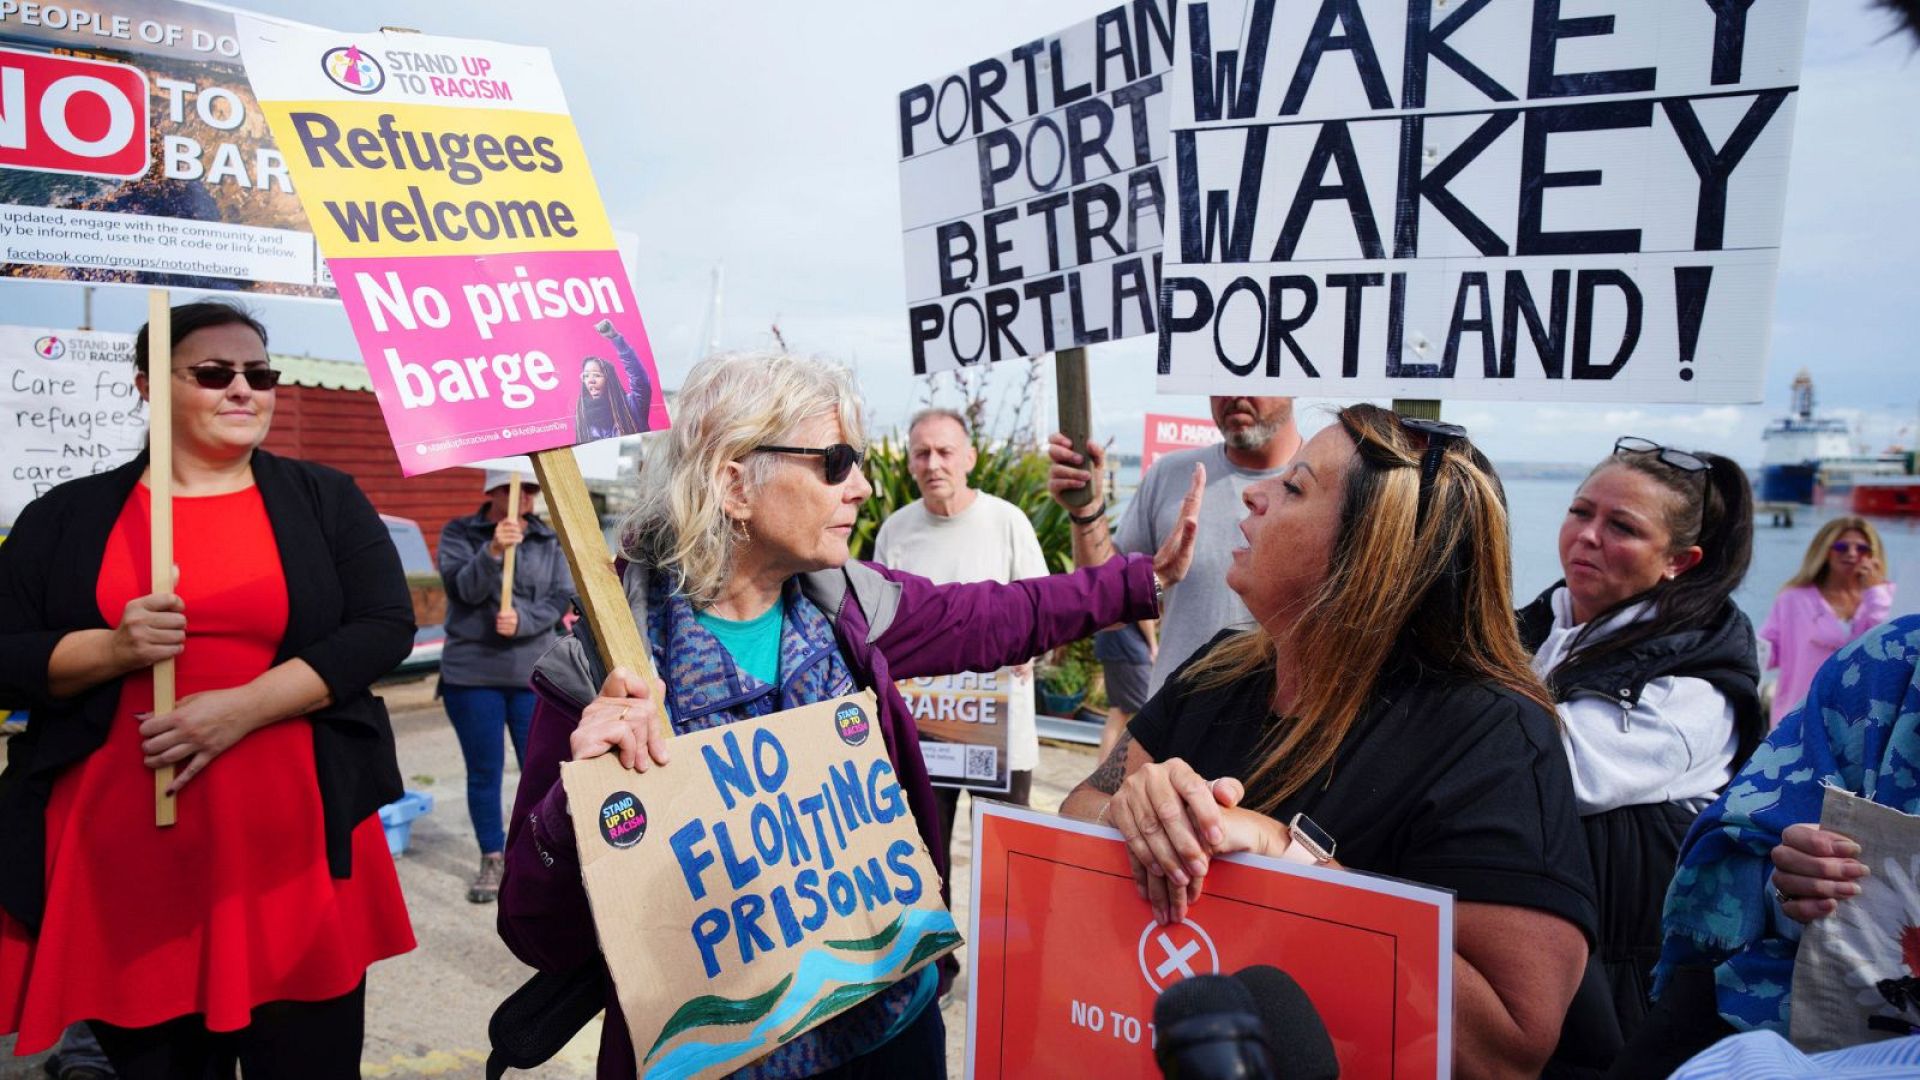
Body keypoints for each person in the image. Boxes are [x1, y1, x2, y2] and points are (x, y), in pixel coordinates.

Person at [497, 351, 1190, 1078]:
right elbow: (534, 930)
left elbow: (1002, 614)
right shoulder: (604, 658)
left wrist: (1142, 578)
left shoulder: (852, 605)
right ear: (734, 482)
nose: (861, 487)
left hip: (895, 1027)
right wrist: (574, 807)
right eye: (835, 462)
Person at [1059, 404, 1597, 1079]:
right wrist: (1134, 808)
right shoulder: (1218, 669)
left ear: (1370, 554)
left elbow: (1504, 1048)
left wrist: (1286, 855)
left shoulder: (1495, 735)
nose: (1254, 493)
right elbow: (1077, 811)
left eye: (1294, 488)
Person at [0, 302, 416, 1075]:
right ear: (148, 387)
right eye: (214, 373)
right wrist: (112, 648)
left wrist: (239, 711)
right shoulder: (68, 515)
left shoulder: (323, 499)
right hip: (127, 853)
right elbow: (5, 650)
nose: (243, 390)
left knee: (308, 1059)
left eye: (259, 374)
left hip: (288, 841)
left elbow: (383, 626)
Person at [1514, 437, 1763, 1077]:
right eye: (1580, 511)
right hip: (1531, 961)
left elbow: (1543, 775)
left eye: (1621, 526)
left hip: (1617, 992)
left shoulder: (1694, 694)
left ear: (1680, 561)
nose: (1587, 536)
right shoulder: (1530, 627)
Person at [1620, 615, 1920, 1075]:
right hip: (1779, 1021)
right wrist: (1787, 888)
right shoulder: (1890, 663)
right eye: (1842, 549)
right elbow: (1733, 847)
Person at [871, 408, 1049, 849]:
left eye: (944, 452)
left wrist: (1030, 649)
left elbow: (1044, 613)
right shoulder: (896, 531)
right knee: (926, 864)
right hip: (925, 735)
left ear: (969, 458)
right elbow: (878, 626)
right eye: (921, 454)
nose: (933, 464)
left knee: (1007, 866)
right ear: (910, 463)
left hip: (1000, 736)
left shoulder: (1008, 521)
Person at [1048, 396, 1299, 695]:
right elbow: (1107, 609)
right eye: (1219, 378)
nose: (1234, 394)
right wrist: (1087, 510)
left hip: (1286, 733)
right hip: (1170, 727)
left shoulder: (1330, 487)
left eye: (1252, 373)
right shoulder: (1170, 474)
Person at [437, 468, 575, 903]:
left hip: (532, 673)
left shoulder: (549, 540)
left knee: (544, 771)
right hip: (472, 673)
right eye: (516, 490)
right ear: (494, 492)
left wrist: (525, 621)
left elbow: (560, 597)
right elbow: (462, 590)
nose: (526, 498)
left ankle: (541, 855)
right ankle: (492, 857)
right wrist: (493, 551)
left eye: (531, 490)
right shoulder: (460, 532)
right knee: (484, 772)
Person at [1759, 516, 1895, 729]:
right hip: (1800, 714)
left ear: (1873, 554)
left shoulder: (1888, 597)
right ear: (1824, 550)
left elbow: (1887, 647)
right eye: (1841, 547)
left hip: (1862, 718)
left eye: (1862, 549)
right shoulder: (1794, 599)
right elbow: (1766, 651)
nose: (1852, 554)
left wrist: (1875, 594)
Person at [573, 320, 651, 441]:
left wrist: (616, 339)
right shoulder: (583, 418)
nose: (591, 380)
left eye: (597, 375)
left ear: (609, 380)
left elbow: (640, 380)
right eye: (586, 376)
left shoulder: (631, 405)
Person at [1093, 622, 1154, 758]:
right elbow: (1144, 616)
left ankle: (1102, 773)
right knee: (1151, 710)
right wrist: (1154, 645)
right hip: (1128, 648)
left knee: (1118, 711)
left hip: (1112, 645)